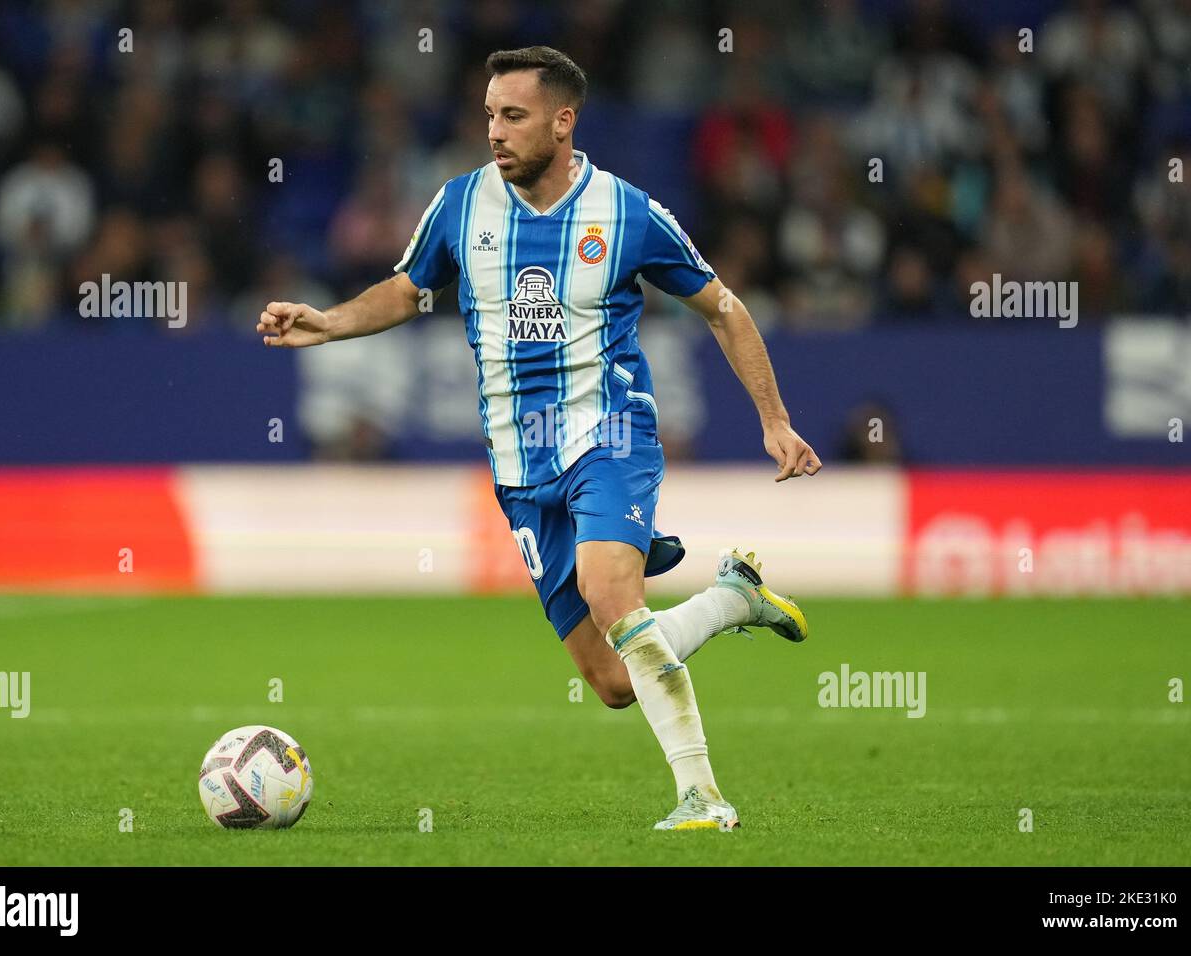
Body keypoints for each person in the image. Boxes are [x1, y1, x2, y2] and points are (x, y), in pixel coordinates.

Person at [257, 46, 822, 831]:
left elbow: (723, 307)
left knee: (611, 592)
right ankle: (733, 598)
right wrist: (327, 322)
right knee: (615, 682)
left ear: (563, 122)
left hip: (610, 435)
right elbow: (404, 289)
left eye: (513, 116)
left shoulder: (628, 212)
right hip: (521, 471)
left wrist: (774, 419)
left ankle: (703, 797)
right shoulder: (459, 205)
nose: (495, 131)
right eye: (489, 114)